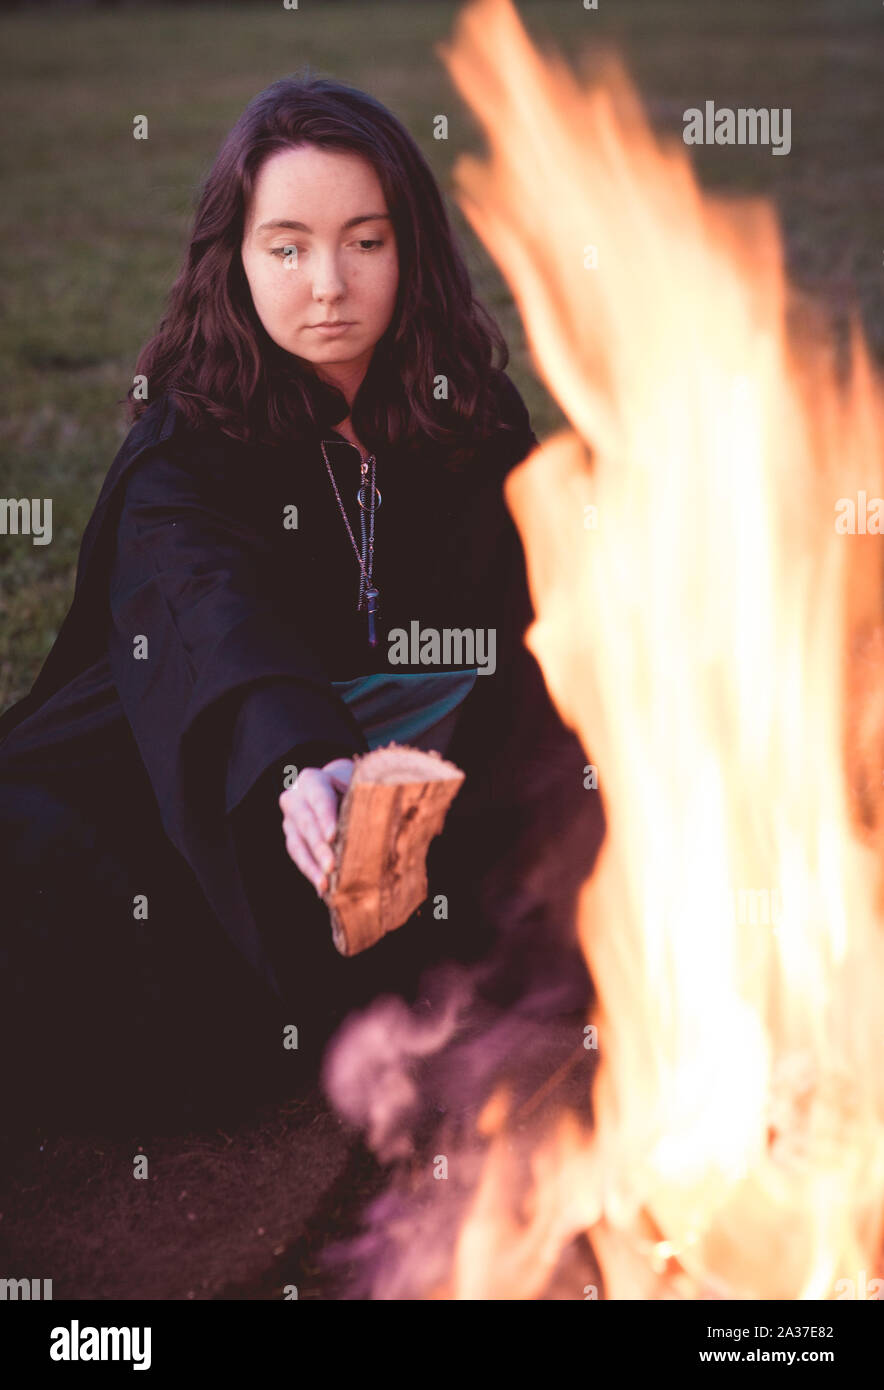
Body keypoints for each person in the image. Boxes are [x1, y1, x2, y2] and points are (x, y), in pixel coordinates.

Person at [0, 74, 587, 1135]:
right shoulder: (190, 441)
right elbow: (206, 610)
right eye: (287, 247)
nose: (327, 284)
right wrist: (295, 762)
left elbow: (546, 611)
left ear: (409, 247)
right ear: (235, 258)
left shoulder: (468, 414)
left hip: (440, 800)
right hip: (207, 785)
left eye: (363, 241)